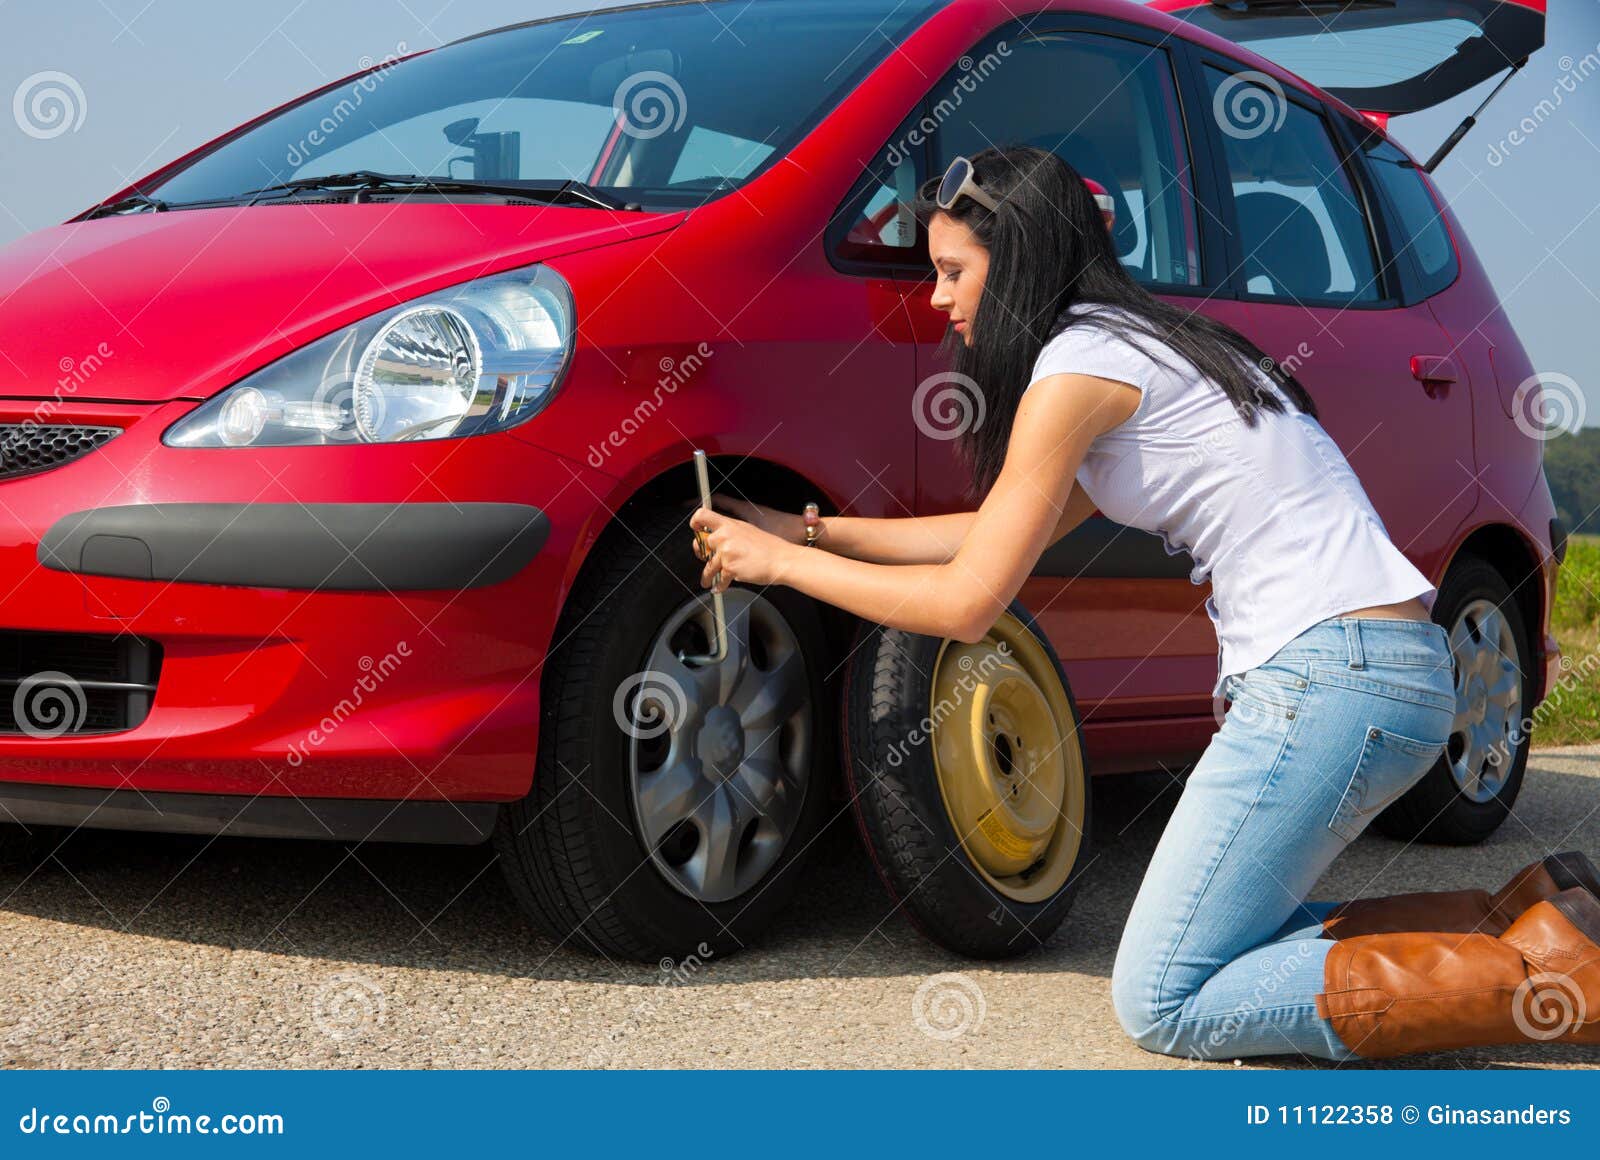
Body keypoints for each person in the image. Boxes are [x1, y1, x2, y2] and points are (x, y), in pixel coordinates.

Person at [685, 145, 1599, 1061]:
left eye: (954, 271)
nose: (938, 298)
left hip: (1329, 678)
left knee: (1166, 996)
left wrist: (779, 568)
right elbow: (991, 531)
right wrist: (803, 533)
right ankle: (1534, 926)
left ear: (1021, 261)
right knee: (1225, 949)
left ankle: (1554, 983)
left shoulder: (1076, 373)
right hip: (1379, 667)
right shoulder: (1142, 347)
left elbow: (967, 603)